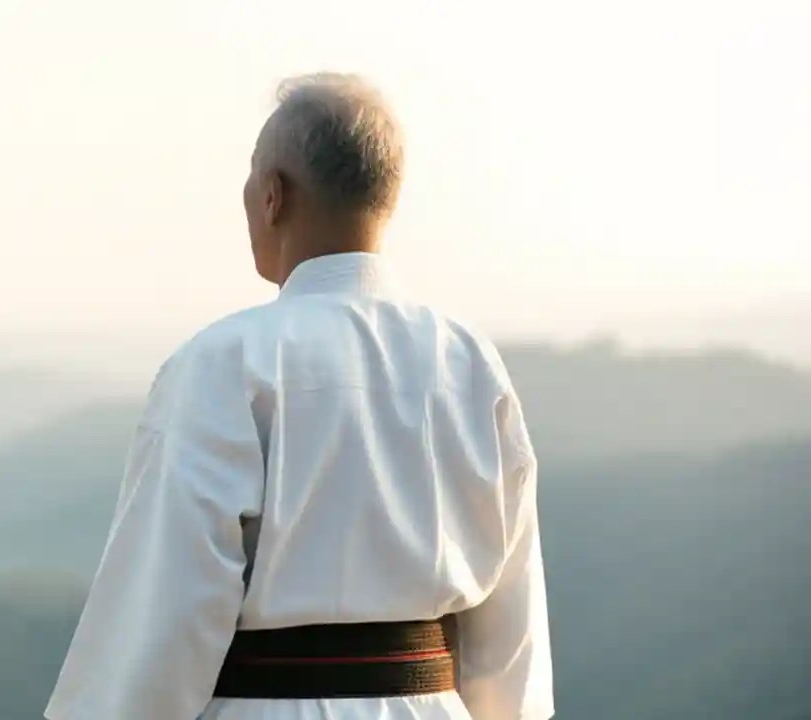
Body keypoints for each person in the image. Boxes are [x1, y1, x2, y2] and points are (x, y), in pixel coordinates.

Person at [44, 73, 553, 720]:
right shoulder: (471, 365)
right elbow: (510, 633)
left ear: (272, 197)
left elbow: (165, 616)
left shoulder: (224, 363)